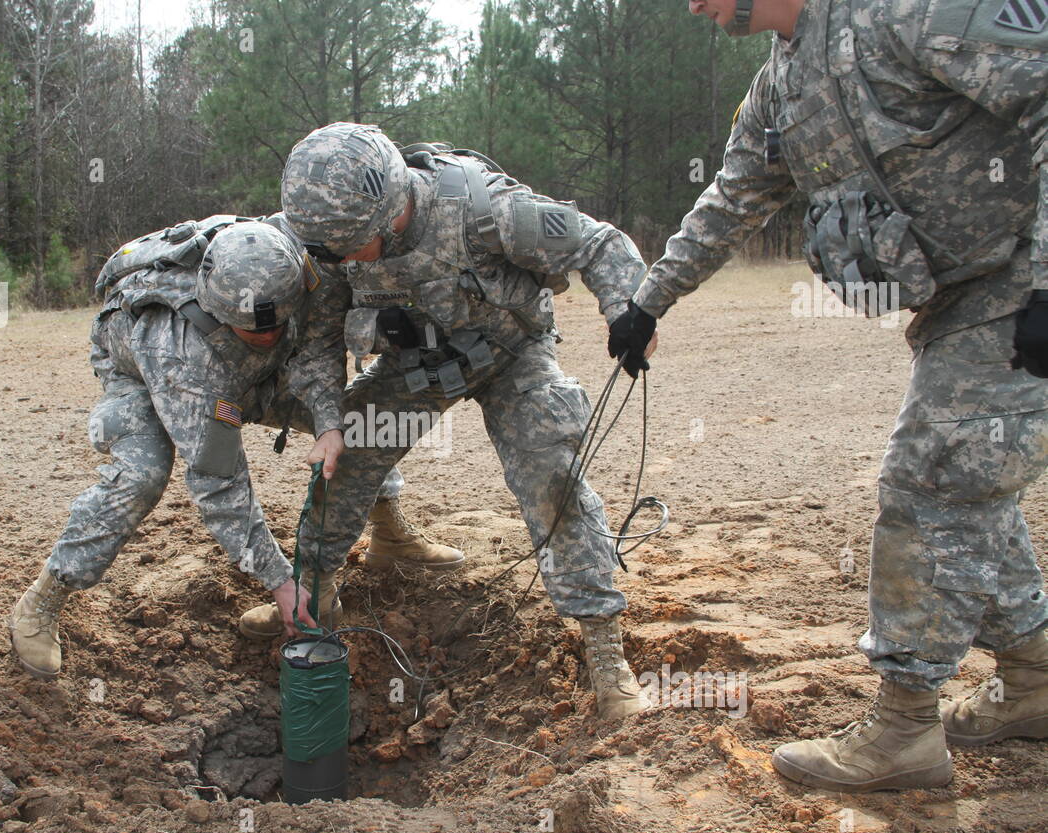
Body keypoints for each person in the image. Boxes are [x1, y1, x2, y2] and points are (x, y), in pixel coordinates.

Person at [607, 0, 1048, 790]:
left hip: (1018, 278)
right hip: (956, 301)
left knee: (930, 482)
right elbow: (733, 196)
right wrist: (648, 302)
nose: (692, 5)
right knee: (972, 477)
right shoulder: (781, 81)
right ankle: (1036, 679)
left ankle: (904, 732)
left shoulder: (909, 12)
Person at [264, 122, 652, 721]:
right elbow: (318, 343)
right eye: (327, 251)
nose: (336, 261)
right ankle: (312, 597)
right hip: (415, 368)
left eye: (347, 247)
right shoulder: (329, 239)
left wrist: (627, 309)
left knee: (554, 474)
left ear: (391, 213)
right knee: (350, 450)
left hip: (510, 354)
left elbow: (598, 243)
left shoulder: (485, 210)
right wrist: (327, 422)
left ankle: (604, 649)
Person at [8, 216, 462, 679]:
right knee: (142, 474)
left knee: (360, 423)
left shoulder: (299, 264)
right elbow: (219, 481)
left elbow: (312, 350)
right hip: (150, 376)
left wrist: (328, 422)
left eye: (274, 325)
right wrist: (281, 583)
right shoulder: (180, 354)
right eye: (252, 330)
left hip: (252, 369)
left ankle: (387, 531)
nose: (266, 334)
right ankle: (44, 598)